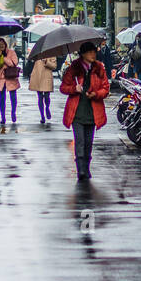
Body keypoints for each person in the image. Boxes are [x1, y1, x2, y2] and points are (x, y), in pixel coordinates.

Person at [60, 42, 110, 181]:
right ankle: (80, 169)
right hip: (77, 111)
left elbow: (106, 88)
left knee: (88, 142)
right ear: (83, 54)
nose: (93, 54)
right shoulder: (74, 69)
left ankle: (86, 167)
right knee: (80, 141)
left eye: (94, 51)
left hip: (93, 112)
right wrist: (73, 89)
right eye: (90, 52)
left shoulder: (99, 68)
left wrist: (96, 94)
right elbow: (63, 87)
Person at [0, 37, 21, 124]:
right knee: (2, 99)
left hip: (11, 77)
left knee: (13, 97)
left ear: (5, 44)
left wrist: (3, 57)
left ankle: (13, 113)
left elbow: (13, 63)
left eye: (2, 43)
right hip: (1, 79)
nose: (1, 45)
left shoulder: (11, 52)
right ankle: (3, 117)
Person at [29, 53, 58, 124]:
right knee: (40, 97)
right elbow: (30, 60)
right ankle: (42, 116)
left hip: (46, 77)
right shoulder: (37, 53)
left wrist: (46, 61)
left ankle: (47, 107)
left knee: (47, 96)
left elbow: (54, 66)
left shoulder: (51, 53)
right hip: (37, 76)